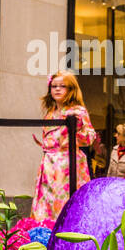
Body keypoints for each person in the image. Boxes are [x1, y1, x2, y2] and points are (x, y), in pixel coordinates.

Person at [32, 72, 97, 220]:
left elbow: (89, 137)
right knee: (46, 202)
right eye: (54, 86)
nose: (57, 89)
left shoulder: (77, 111)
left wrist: (78, 129)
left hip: (69, 162)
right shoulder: (50, 113)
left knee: (65, 203)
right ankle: (45, 232)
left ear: (71, 89)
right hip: (49, 163)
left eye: (63, 86)